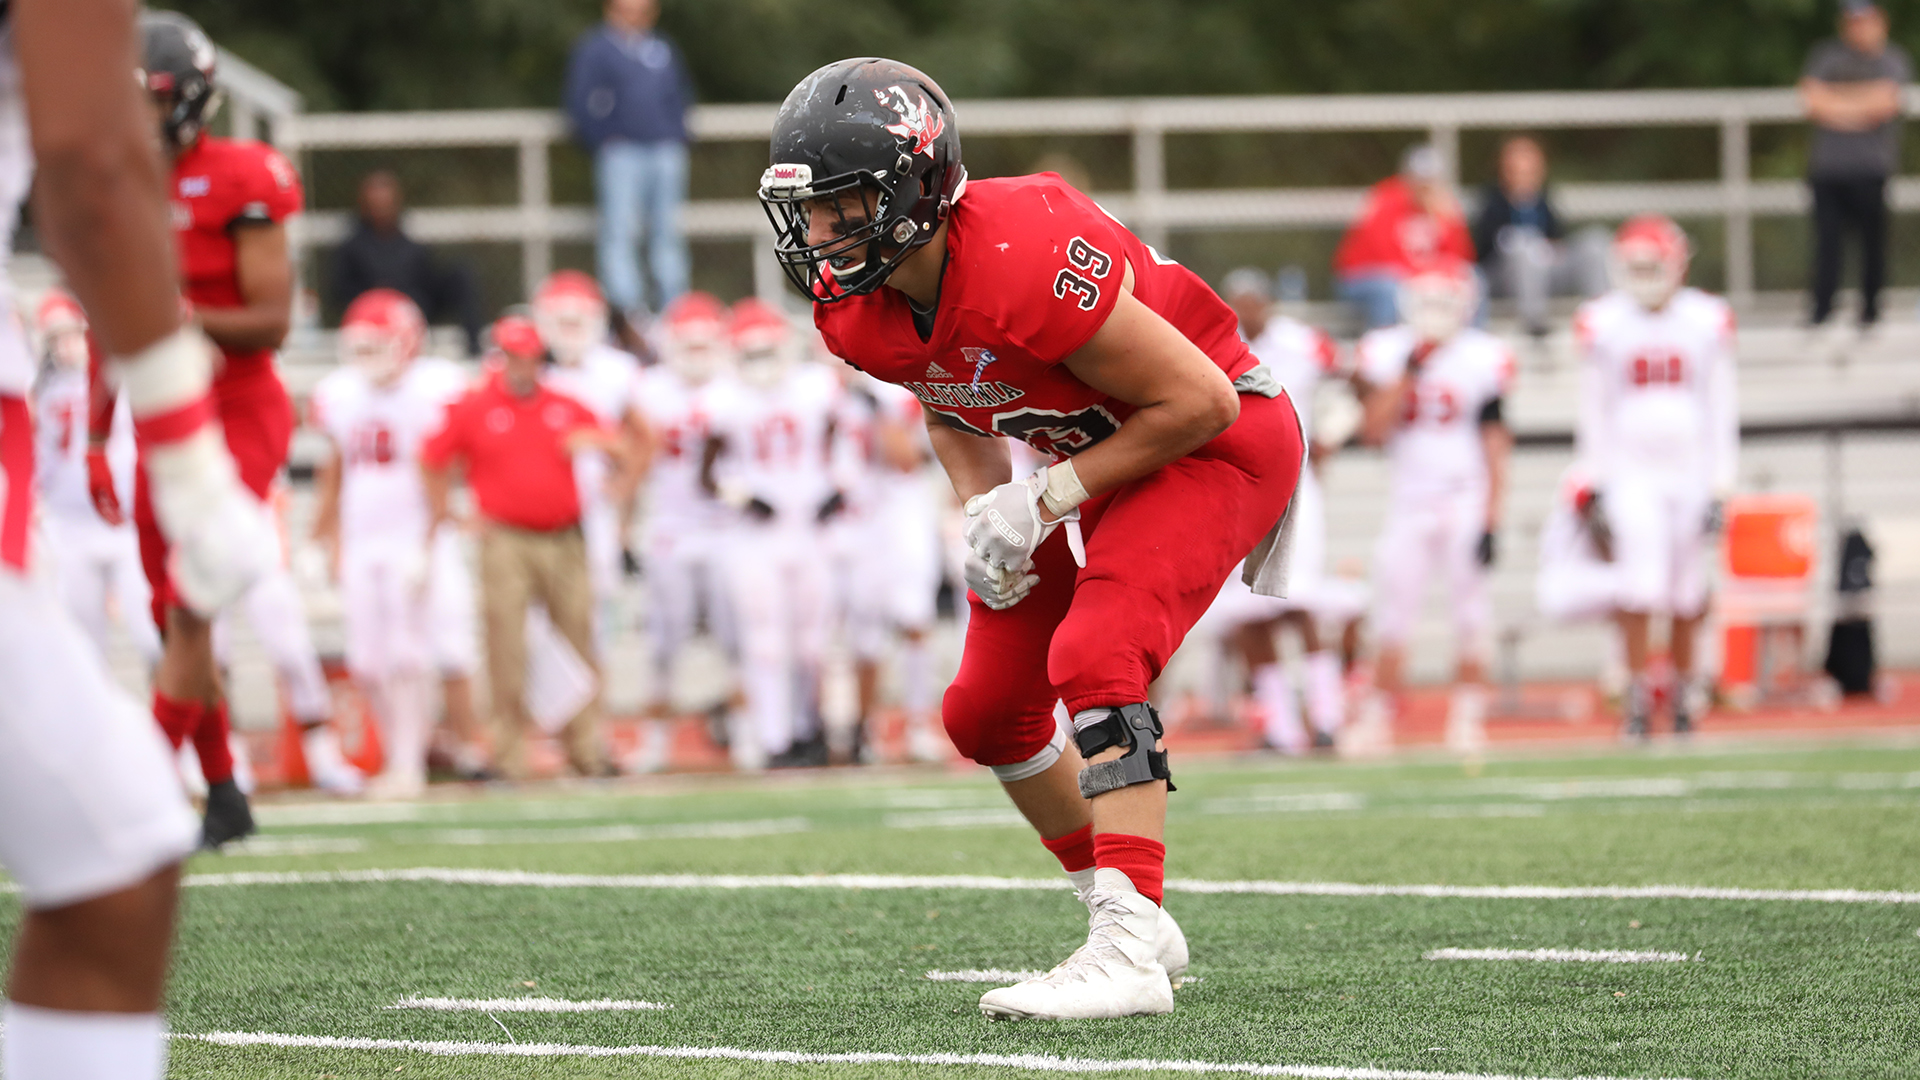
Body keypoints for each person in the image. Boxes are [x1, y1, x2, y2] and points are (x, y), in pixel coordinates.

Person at [760, 58, 1302, 1020]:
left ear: (918, 191)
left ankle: (1129, 953)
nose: (820, 234)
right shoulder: (857, 310)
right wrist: (983, 506)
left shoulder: (1021, 252)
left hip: (1214, 441)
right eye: (811, 209)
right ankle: (1120, 907)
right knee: (985, 710)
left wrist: (1042, 500)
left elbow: (1200, 401)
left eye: (845, 206)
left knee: (1096, 650)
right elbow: (951, 403)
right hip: (1086, 462)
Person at [2, 0, 279, 1074]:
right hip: (158, 414)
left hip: (214, 407)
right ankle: (211, 781)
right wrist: (179, 443)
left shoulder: (243, 176)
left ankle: (218, 783)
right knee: (115, 846)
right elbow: (90, 164)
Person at [90, 12, 305, 848]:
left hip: (238, 410)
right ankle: (223, 794)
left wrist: (185, 317)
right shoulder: (114, 184)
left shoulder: (241, 176)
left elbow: (272, 320)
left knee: (190, 604)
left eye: (145, 99)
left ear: (188, 101)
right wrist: (90, 439)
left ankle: (140, 796)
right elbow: (115, 330)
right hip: (157, 413)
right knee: (174, 614)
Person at [421, 315, 627, 779]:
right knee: (506, 645)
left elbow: (622, 448)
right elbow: (431, 458)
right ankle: (509, 754)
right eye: (513, 357)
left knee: (578, 639)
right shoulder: (473, 406)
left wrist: (605, 456)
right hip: (505, 538)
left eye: (528, 357)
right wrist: (449, 514)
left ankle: (586, 749)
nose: (521, 367)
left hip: (564, 535)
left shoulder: (567, 404)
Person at [1573, 216, 1738, 740]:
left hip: (1690, 474)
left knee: (1688, 592)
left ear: (1678, 262)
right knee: (1639, 589)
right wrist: (1593, 480)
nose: (1644, 275)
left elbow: (1721, 405)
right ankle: (1641, 696)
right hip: (1631, 475)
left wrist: (1722, 484)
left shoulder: (1706, 319)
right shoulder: (1604, 321)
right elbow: (1593, 408)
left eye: (1652, 264)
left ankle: (1687, 693)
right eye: (1635, 265)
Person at [311, 290, 472, 796]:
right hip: (363, 540)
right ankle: (398, 756)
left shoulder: (432, 389)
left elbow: (446, 468)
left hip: (411, 537)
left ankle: (409, 764)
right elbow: (334, 467)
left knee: (410, 655)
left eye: (377, 345)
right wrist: (322, 537)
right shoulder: (342, 394)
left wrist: (432, 537)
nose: (366, 359)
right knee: (367, 660)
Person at [1352, 260, 1515, 756]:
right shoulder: (1389, 352)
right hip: (1409, 500)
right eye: (1429, 302)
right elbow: (1373, 429)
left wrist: (1492, 515)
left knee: (1470, 614)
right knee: (1393, 616)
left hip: (1464, 494)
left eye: (1448, 302)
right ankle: (1379, 718)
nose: (1438, 314)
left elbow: (1495, 441)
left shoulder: (1483, 357)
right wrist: (1411, 370)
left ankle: (1467, 718)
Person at [1199, 268, 1350, 754]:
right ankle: (1282, 727)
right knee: (1248, 614)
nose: (1246, 308)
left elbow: (1360, 381)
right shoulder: (1210, 344)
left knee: (1300, 601)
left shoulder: (1303, 343)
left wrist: (1331, 435)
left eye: (1252, 299)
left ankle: (1326, 718)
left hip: (1294, 484)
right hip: (1237, 484)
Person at [699, 297, 844, 769]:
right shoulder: (722, 397)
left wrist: (834, 488)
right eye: (751, 354)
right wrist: (744, 496)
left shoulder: (814, 387)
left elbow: (839, 443)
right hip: (753, 537)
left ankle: (807, 729)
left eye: (767, 353)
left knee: (811, 643)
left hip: (807, 529)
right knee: (765, 642)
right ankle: (774, 737)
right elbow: (707, 475)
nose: (760, 365)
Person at [630, 291, 737, 769]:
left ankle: (747, 731)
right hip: (668, 527)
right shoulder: (647, 389)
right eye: (687, 345)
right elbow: (631, 456)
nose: (696, 354)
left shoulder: (737, 387)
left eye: (703, 345)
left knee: (737, 637)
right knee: (663, 639)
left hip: (726, 529)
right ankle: (655, 739)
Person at [29, 289, 162, 667]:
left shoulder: (117, 376)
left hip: (123, 521)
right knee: (84, 648)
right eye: (57, 338)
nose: (68, 345)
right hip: (68, 525)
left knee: (152, 634)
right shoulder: (36, 394)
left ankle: (172, 722)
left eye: (73, 333)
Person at [826, 364, 948, 764]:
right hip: (856, 521)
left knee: (914, 621)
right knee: (864, 634)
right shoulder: (824, 391)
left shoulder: (894, 389)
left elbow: (905, 458)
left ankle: (917, 725)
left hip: (902, 519)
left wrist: (875, 407)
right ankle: (865, 729)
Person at [531, 269, 646, 639]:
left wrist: (625, 482)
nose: (568, 330)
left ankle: (592, 696)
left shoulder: (617, 370)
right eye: (560, 321)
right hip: (534, 510)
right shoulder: (527, 369)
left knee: (595, 617)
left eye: (576, 320)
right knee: (540, 623)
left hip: (594, 507)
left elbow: (646, 438)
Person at [565, 0, 693, 323]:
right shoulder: (596, 49)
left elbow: (679, 96)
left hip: (665, 152)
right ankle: (628, 312)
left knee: (667, 231)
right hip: (622, 154)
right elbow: (580, 103)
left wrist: (675, 133)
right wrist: (606, 138)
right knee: (620, 231)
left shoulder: (661, 48)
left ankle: (674, 308)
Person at [1800, 0, 1911, 334]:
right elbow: (1812, 101)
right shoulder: (1826, 55)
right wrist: (1860, 107)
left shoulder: (1892, 59)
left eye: (1864, 21)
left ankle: (1870, 313)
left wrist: (1837, 105)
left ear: (1880, 22)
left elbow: (1885, 103)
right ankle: (1821, 312)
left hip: (1871, 167)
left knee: (1872, 245)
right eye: (1852, 21)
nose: (1857, 28)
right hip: (1828, 168)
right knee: (1827, 244)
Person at [329, 170, 485, 356]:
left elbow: (426, 278)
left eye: (386, 200)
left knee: (461, 272)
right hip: (376, 315)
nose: (382, 206)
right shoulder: (352, 245)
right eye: (376, 201)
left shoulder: (409, 239)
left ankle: (475, 349)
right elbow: (341, 291)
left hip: (416, 306)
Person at [1470, 135, 1608, 339]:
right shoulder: (1492, 202)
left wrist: (1549, 249)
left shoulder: (1544, 201)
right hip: (1506, 278)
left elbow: (1557, 239)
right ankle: (1534, 321)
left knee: (1594, 241)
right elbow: (1485, 252)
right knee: (1525, 246)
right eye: (1518, 168)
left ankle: (1603, 314)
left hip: (1547, 272)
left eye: (1531, 169)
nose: (1525, 175)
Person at [1334, 144, 1475, 330]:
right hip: (1361, 279)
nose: (1425, 187)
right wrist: (1424, 275)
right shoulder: (1386, 199)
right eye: (1420, 180)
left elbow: (1462, 258)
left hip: (1418, 279)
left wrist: (1449, 223)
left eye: (1430, 180)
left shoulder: (1444, 207)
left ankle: (1467, 347)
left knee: (1471, 279)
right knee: (1391, 289)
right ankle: (1386, 347)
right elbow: (1382, 256)